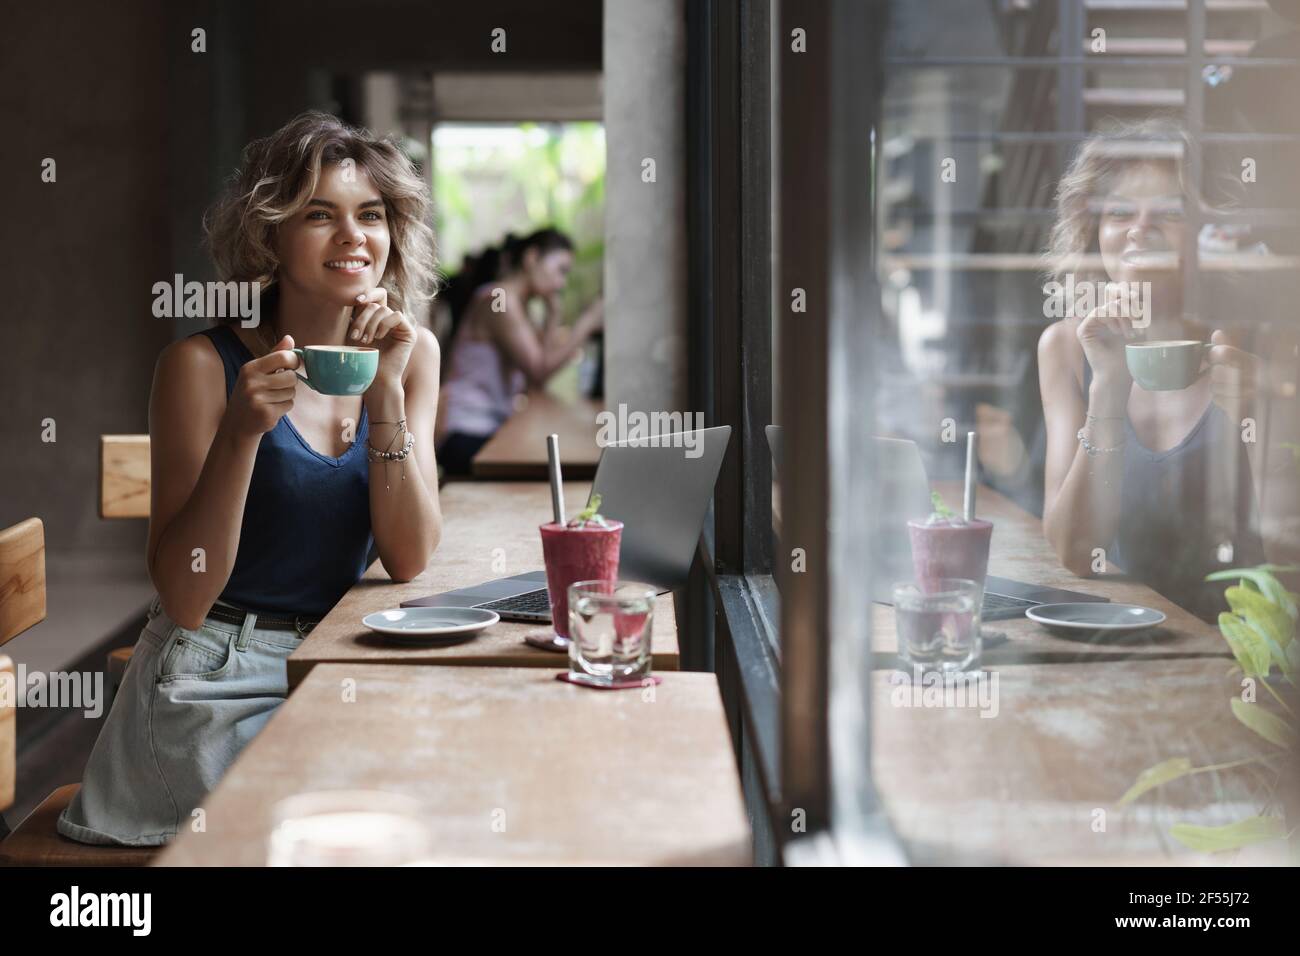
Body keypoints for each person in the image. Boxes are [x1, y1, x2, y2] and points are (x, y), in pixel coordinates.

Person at [58, 111, 443, 846]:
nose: (352, 236)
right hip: (214, 679)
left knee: (429, 800)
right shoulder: (201, 367)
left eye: (370, 215)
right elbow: (185, 595)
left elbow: (409, 556)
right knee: (322, 833)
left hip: (338, 662)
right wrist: (240, 435)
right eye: (319, 215)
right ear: (270, 235)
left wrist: (386, 396)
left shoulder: (411, 353)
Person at [1037, 118, 1272, 621]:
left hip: (1242, 646)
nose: (1140, 229)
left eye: (1170, 213)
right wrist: (1107, 391)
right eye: (1120, 212)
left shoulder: (1253, 345)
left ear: (1206, 234)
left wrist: (1258, 418)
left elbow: (1284, 556)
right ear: (1094, 230)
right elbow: (1075, 553)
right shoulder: (1065, 348)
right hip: (1122, 638)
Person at [436, 228, 604, 475]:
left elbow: (539, 367)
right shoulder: (499, 300)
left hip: (488, 427)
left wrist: (553, 316)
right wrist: (587, 323)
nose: (561, 283)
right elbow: (539, 371)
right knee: (545, 464)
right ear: (532, 257)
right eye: (561, 270)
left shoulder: (516, 304)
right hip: (465, 432)